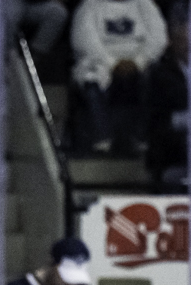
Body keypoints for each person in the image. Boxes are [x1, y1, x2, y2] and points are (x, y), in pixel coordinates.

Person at [71, 0, 168, 153]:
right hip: (101, 61)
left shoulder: (145, 5)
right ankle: (102, 137)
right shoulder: (90, 5)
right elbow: (84, 41)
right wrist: (112, 63)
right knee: (90, 79)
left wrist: (138, 62)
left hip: (139, 60)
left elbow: (159, 39)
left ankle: (141, 136)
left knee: (158, 79)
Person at [143, 4, 188, 185]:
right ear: (171, 40)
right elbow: (158, 121)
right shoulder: (160, 73)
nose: (188, 45)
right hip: (173, 153)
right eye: (182, 40)